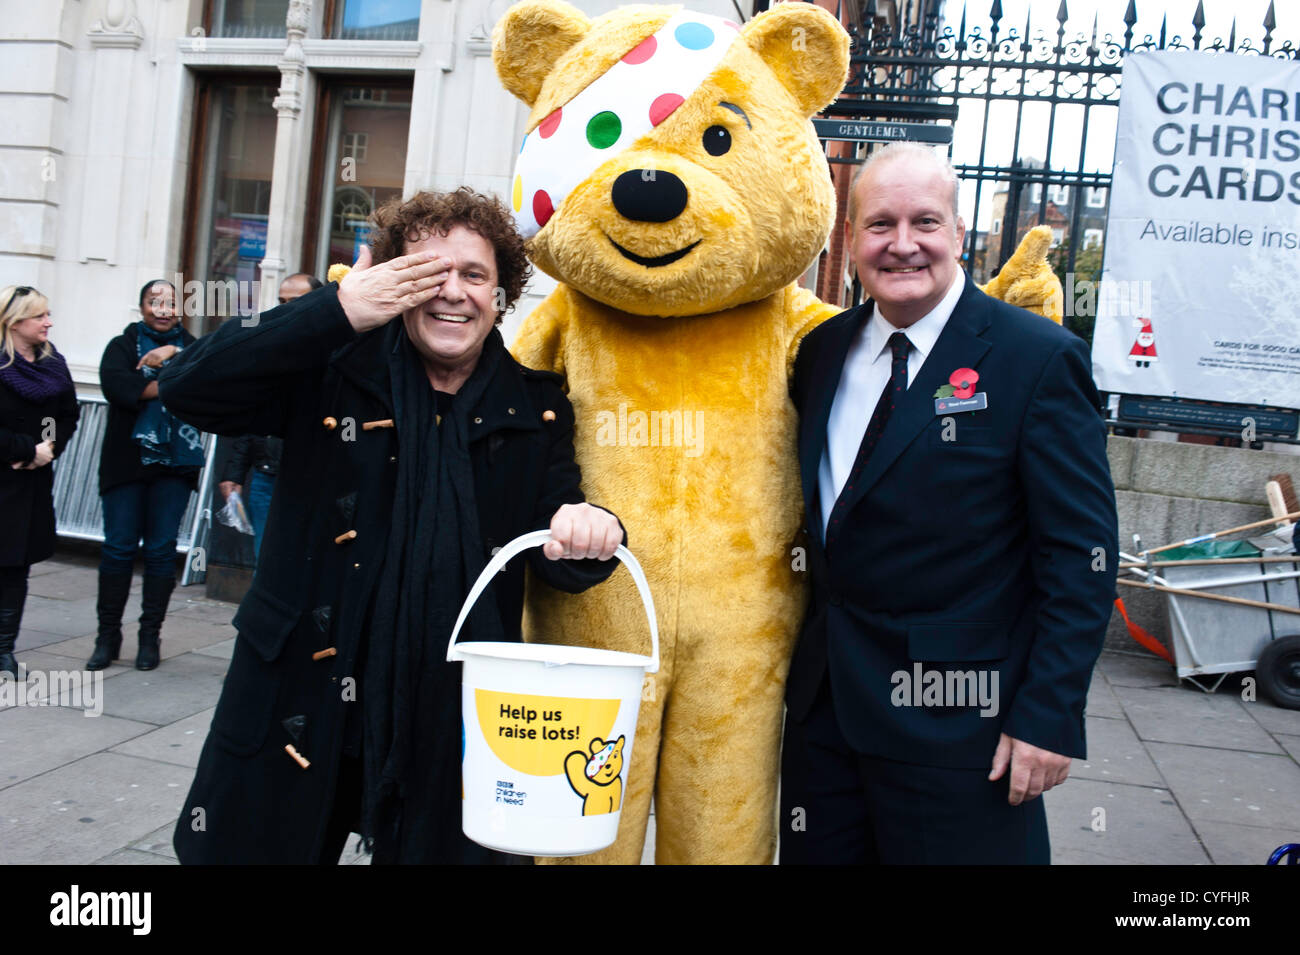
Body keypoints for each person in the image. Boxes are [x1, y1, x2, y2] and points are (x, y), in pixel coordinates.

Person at [162, 187, 626, 865]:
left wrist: (590, 530)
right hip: (302, 691)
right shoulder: (331, 371)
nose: (452, 292)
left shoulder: (537, 405)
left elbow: (557, 547)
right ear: (391, 283)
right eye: (428, 272)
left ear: (500, 295)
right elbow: (188, 388)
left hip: (448, 711)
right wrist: (335, 310)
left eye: (474, 275)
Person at [780, 143, 1118, 864]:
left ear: (959, 234)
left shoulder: (1036, 359)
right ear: (852, 237)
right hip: (826, 722)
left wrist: (1049, 716)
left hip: (962, 729)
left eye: (925, 222)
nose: (902, 245)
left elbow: (1079, 558)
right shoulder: (820, 353)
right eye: (880, 224)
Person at [88, 280, 201, 672]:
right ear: (141, 308)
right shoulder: (120, 347)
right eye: (155, 303)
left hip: (175, 464)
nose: (163, 310)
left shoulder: (194, 347)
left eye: (170, 303)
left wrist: (170, 358)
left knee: (160, 551)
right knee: (118, 549)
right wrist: (174, 376)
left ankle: (149, 636)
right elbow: (121, 389)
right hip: (126, 464)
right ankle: (107, 635)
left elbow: (203, 387)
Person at [0, 286, 79, 677]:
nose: (49, 322)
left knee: (16, 566)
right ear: (14, 323)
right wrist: (23, 449)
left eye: (48, 314)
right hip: (4, 474)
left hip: (30, 485)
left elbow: (63, 414)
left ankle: (3, 651)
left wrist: (47, 445)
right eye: (40, 316)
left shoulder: (52, 364)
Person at [218, 273, 324, 559]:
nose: (286, 308)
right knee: (265, 560)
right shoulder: (270, 346)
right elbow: (254, 414)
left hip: (313, 479)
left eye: (295, 301)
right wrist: (234, 472)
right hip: (266, 477)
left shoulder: (335, 348)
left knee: (306, 562)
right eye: (281, 301)